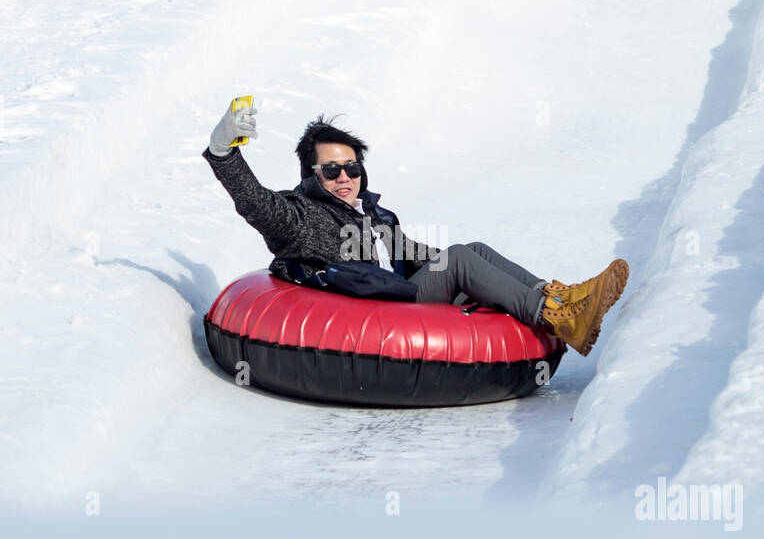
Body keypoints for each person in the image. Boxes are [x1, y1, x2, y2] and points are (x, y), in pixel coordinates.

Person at [202, 101, 628, 356]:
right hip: (378, 307)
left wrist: (462, 270)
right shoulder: (299, 216)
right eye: (331, 170)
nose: (345, 176)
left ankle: (561, 299)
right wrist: (224, 152)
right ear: (312, 175)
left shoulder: (374, 215)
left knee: (469, 249)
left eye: (352, 167)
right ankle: (558, 317)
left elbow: (417, 254)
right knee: (459, 259)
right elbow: (255, 202)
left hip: (400, 291)